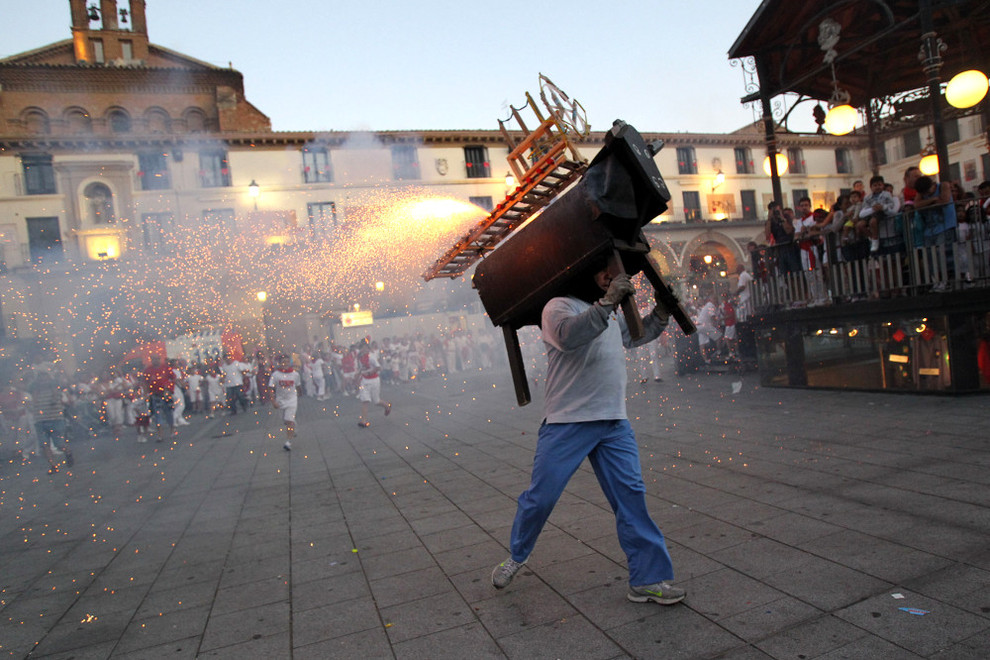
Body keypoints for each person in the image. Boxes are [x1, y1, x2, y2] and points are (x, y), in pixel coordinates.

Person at [491, 264, 685, 606]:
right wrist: (609, 302)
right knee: (541, 498)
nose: (610, 277)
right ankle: (517, 556)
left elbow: (635, 335)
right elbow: (570, 336)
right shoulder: (557, 307)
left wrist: (662, 312)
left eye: (613, 273)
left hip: (613, 421)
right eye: (603, 272)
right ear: (582, 273)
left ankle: (647, 579)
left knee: (631, 499)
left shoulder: (608, 313)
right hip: (568, 421)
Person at [29, 372, 73, 474]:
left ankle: (68, 452)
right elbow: (33, 405)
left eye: (45, 380)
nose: (43, 382)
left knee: (59, 444)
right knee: (45, 445)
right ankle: (53, 466)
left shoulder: (56, 391)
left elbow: (55, 401)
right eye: (41, 380)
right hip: (40, 421)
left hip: (55, 420)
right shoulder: (35, 393)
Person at [268, 354, 300, 450]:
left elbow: (298, 386)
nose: (285, 364)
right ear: (279, 363)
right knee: (286, 421)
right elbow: (270, 388)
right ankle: (294, 425)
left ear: (290, 363)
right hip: (280, 400)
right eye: (283, 362)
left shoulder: (295, 374)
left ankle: (288, 442)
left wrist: (297, 395)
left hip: (292, 400)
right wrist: (273, 401)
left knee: (289, 421)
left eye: (287, 362)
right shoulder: (275, 375)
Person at [356, 340, 391, 427]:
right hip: (364, 380)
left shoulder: (371, 357)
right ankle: (363, 421)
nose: (363, 350)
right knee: (365, 400)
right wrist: (358, 374)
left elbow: (378, 367)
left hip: (374, 380)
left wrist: (370, 372)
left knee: (376, 401)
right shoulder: (360, 358)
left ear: (368, 348)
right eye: (361, 348)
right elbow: (362, 368)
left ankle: (387, 406)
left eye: (365, 348)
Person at [143, 354, 175, 442]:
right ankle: (160, 435)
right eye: (154, 359)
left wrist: (170, 389)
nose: (155, 361)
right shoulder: (148, 370)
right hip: (155, 395)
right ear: (151, 360)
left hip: (166, 394)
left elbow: (173, 379)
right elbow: (145, 383)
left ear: (160, 359)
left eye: (157, 359)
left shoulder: (166, 368)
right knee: (157, 414)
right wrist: (146, 393)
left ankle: (172, 429)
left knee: (169, 413)